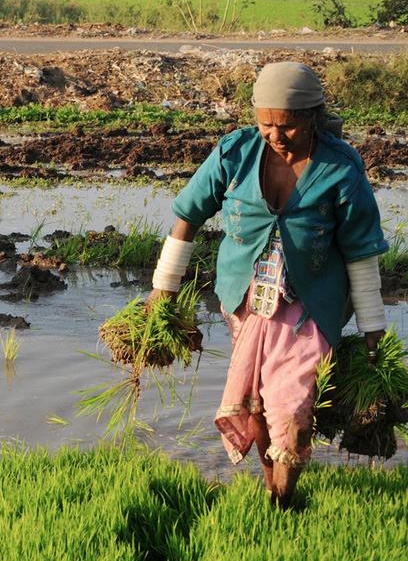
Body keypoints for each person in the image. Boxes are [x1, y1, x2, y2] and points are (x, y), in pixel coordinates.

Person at [150, 62, 388, 508]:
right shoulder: (234, 153)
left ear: (313, 117)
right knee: (257, 404)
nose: (277, 136)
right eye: (266, 125)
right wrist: (163, 288)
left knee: (293, 407)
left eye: (290, 126)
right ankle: (271, 487)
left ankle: (283, 498)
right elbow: (187, 217)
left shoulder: (341, 169)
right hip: (246, 302)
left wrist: (373, 324)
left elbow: (360, 249)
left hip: (311, 308)